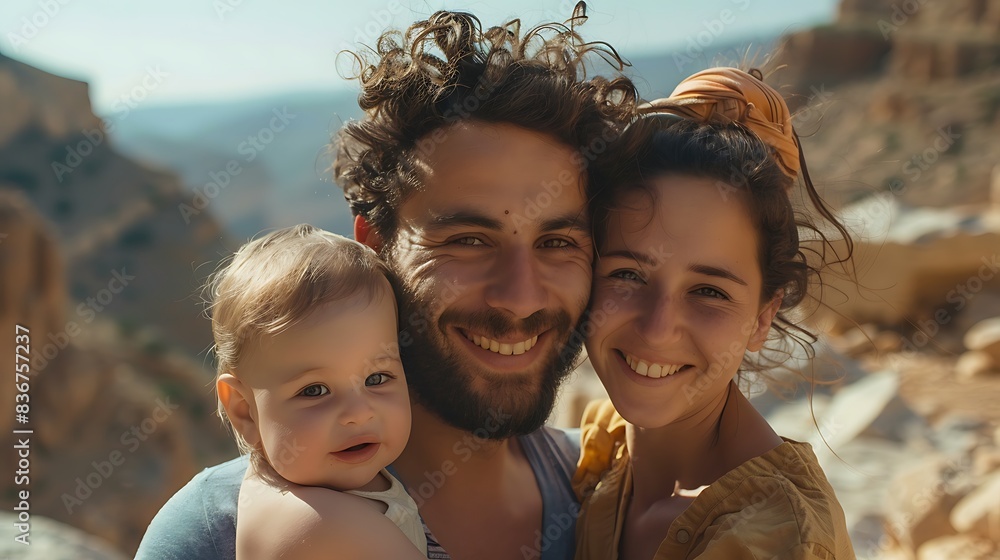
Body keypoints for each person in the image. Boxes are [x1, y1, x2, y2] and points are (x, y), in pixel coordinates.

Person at [135, 7, 635, 560]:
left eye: (557, 242)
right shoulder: (213, 538)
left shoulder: (612, 496)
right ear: (374, 245)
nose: (520, 298)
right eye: (469, 240)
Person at [572, 68, 857, 559]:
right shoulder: (608, 445)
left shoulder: (777, 539)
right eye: (628, 274)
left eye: (709, 291)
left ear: (763, 318)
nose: (657, 329)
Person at [207, 225, 426, 558]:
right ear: (243, 409)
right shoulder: (321, 524)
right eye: (315, 390)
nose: (358, 413)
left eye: (377, 378)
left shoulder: (290, 488)